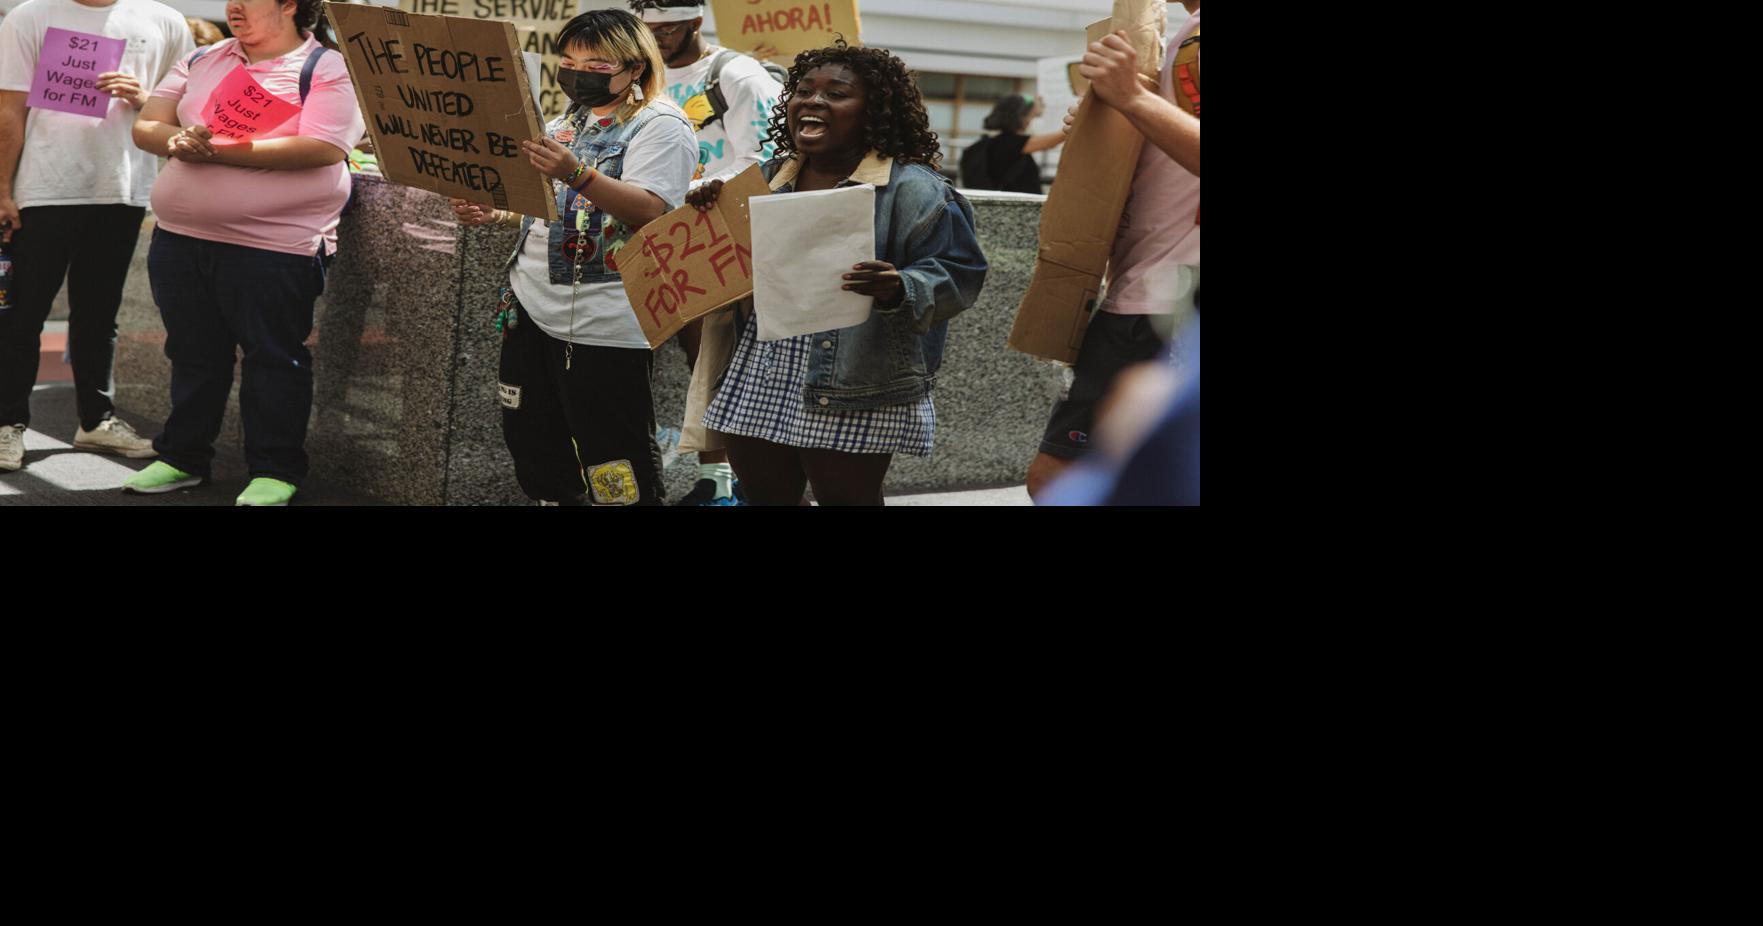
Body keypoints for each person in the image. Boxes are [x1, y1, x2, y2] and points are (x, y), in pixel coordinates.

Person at [685, 41, 987, 506]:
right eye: (804, 91)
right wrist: (709, 209)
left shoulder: (915, 190)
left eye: (836, 94)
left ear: (875, 112)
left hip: (853, 379)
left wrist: (900, 287)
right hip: (760, 371)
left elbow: (961, 274)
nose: (814, 101)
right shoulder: (765, 178)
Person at [118, 0, 364, 505]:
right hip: (180, 239)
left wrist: (219, 147)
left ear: (290, 5)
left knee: (273, 358)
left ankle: (275, 469)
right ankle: (182, 458)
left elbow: (324, 147)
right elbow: (148, 125)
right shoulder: (202, 59)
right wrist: (179, 139)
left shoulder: (327, 67)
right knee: (192, 355)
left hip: (275, 247)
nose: (233, 5)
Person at [452, 8, 696, 506]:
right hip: (531, 308)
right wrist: (493, 213)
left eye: (597, 63)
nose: (577, 71)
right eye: (568, 59)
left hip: (605, 320)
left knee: (615, 460)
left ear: (636, 70)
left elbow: (652, 210)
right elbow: (546, 209)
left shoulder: (662, 126)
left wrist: (576, 172)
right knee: (532, 442)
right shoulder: (568, 122)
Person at [0, 0, 192, 474]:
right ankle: (7, 424)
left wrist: (146, 97)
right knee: (22, 313)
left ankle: (96, 420)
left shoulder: (164, 20)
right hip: (42, 189)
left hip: (122, 191)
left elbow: (190, 107)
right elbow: (8, 109)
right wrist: (1, 187)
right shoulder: (31, 15)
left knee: (100, 312)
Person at [1026, 0, 1199, 500]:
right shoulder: (1173, 29)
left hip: (1179, 305)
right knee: (1056, 477)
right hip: (1133, 292)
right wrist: (1106, 117)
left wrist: (1132, 99)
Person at [631, 0, 783, 505]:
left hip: (718, 236)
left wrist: (708, 184)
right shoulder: (639, 77)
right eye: (647, 29)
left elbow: (768, 154)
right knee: (688, 360)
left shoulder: (735, 75)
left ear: (696, 21)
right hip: (660, 234)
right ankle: (713, 480)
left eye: (667, 28)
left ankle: (730, 483)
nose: (656, 38)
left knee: (716, 358)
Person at [958, 94, 1064, 194]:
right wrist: (1076, 121)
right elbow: (1052, 141)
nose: (1031, 121)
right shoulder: (1009, 143)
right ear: (1020, 118)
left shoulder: (994, 142)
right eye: (1031, 116)